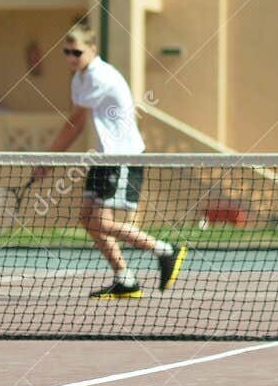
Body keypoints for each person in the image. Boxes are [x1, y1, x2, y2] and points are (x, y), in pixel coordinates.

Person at [39, 22, 187, 299]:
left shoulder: (99, 76)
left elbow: (73, 123)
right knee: (87, 218)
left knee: (101, 223)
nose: (71, 57)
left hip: (122, 156)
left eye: (77, 52)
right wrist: (50, 159)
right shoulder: (79, 79)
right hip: (103, 155)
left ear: (92, 50)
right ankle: (125, 279)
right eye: (66, 52)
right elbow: (79, 123)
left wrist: (48, 158)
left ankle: (166, 250)